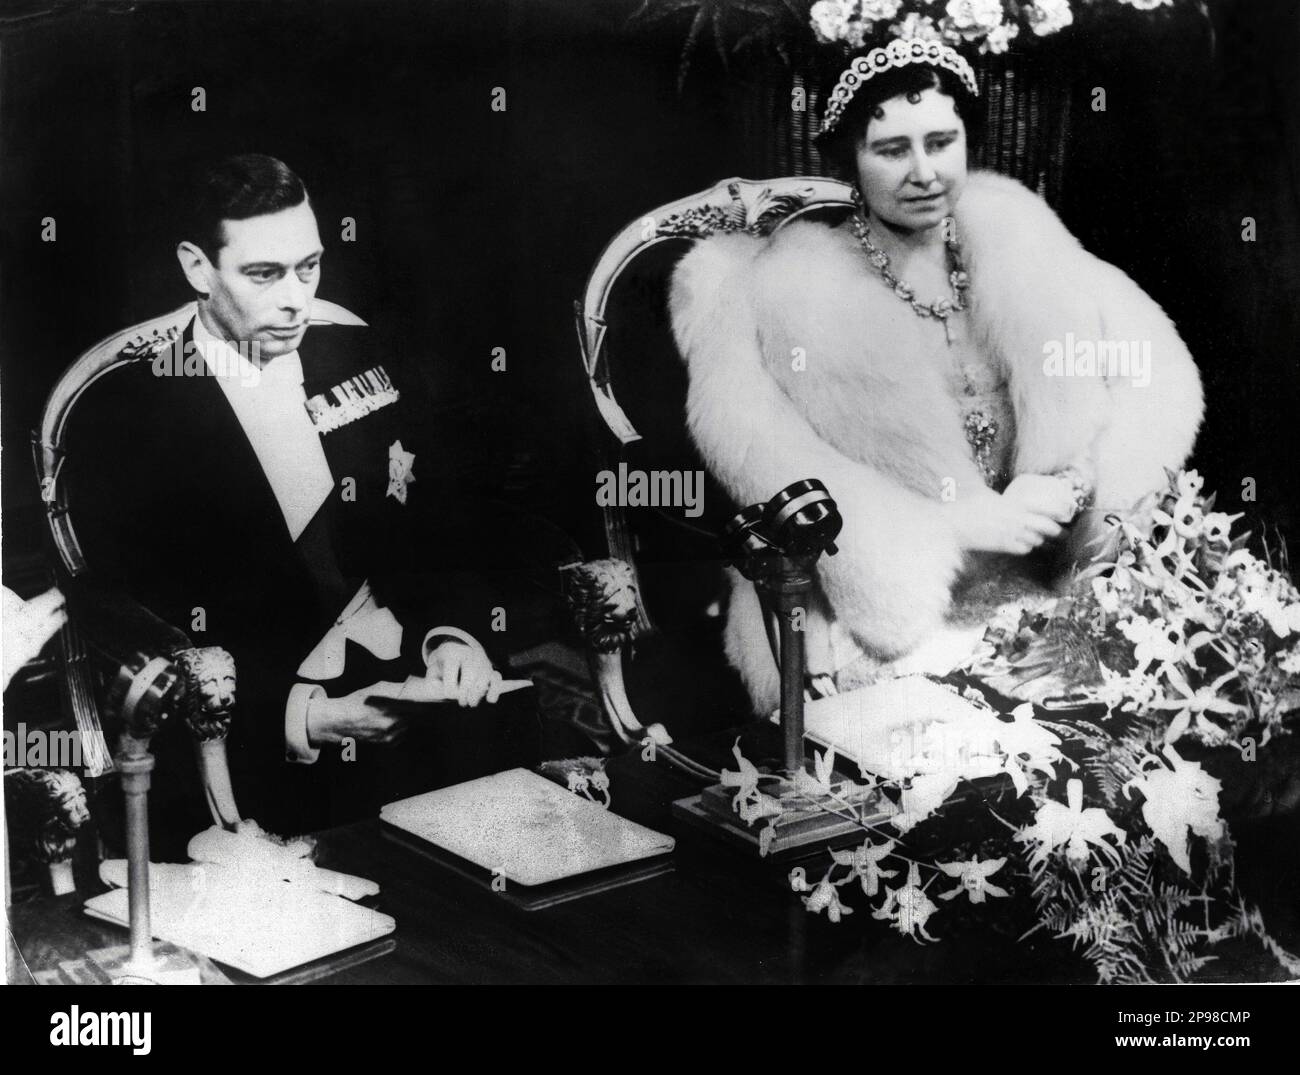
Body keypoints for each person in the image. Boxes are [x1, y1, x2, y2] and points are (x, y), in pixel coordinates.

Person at [669, 38, 1204, 713]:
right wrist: (953, 527)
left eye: (941, 142)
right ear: (847, 159)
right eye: (891, 150)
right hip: (873, 623)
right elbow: (779, 475)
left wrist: (1073, 482)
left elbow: (1153, 386)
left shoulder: (1021, 243)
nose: (923, 172)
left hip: (1047, 594)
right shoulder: (782, 289)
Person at [64, 154, 540, 844]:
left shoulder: (354, 351)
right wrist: (308, 716)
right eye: (264, 274)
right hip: (248, 738)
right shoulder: (128, 417)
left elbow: (439, 521)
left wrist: (454, 636)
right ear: (198, 268)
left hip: (415, 691)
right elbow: (132, 619)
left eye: (308, 267)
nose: (296, 299)